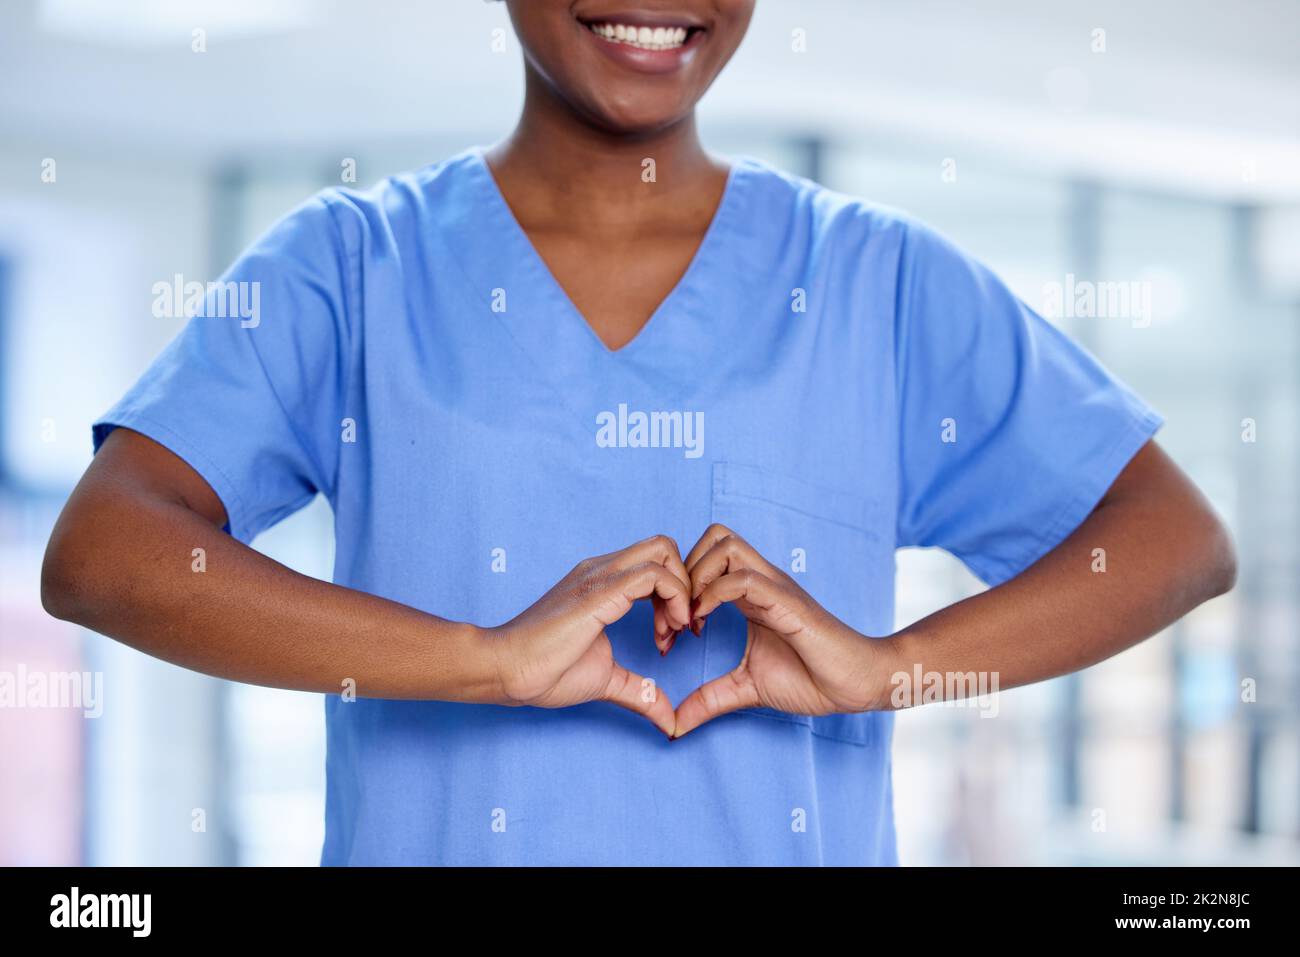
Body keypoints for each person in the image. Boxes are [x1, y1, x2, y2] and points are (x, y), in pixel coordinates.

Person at [41, 1, 1236, 865]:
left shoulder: (879, 283)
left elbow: (1171, 539)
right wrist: (484, 658)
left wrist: (891, 668)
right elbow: (105, 555)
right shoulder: (352, 267)